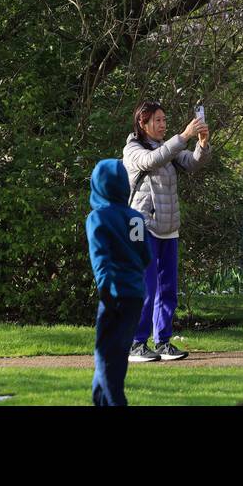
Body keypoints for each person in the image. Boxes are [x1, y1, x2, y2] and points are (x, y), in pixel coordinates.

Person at [123, 99, 210, 363]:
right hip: (142, 226)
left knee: (168, 289)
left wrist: (202, 142)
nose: (163, 125)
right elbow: (151, 161)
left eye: (164, 120)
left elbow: (193, 163)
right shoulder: (133, 149)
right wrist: (183, 136)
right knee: (146, 287)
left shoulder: (167, 148)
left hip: (169, 227)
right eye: (157, 120)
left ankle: (162, 342)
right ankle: (136, 344)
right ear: (143, 123)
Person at [86, 158, 149, 406]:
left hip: (113, 293)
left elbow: (100, 259)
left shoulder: (97, 218)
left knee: (104, 355)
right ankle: (99, 400)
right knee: (119, 352)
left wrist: (106, 291)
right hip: (136, 294)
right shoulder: (136, 218)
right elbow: (145, 256)